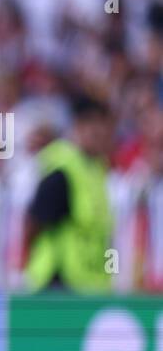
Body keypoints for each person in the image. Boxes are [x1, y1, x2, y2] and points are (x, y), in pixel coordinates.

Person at [24, 94, 114, 292]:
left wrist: (111, 276)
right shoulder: (62, 171)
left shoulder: (99, 171)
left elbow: (106, 234)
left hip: (92, 286)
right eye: (94, 128)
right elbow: (34, 223)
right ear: (78, 127)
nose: (100, 135)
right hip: (59, 284)